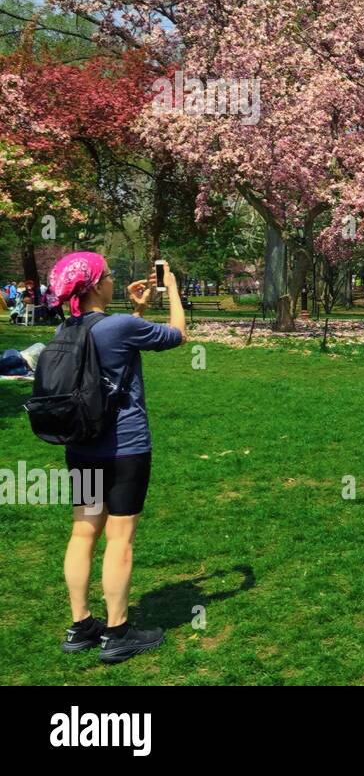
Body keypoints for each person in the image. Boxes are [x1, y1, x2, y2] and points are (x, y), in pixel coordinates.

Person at [47, 251, 186, 663]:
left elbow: (119, 343)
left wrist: (138, 309)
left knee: (83, 532)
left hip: (81, 448)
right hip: (126, 450)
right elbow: (178, 334)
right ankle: (117, 632)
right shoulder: (119, 327)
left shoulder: (66, 329)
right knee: (120, 538)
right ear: (94, 285)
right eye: (107, 275)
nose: (112, 280)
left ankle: (80, 625)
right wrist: (173, 289)